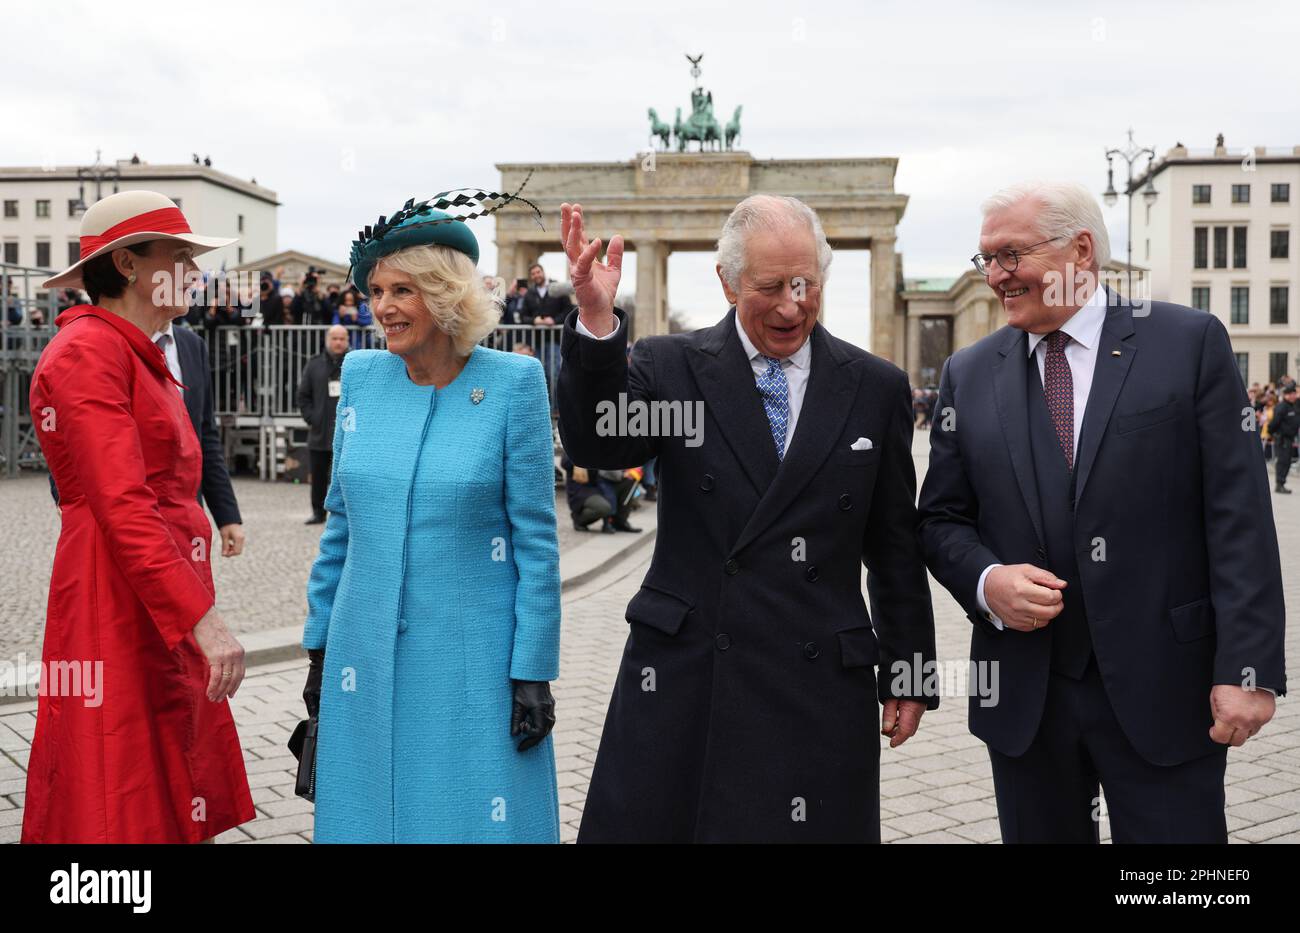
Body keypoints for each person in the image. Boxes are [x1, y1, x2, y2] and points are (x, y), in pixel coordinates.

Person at [557, 196, 938, 843]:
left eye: (805, 285)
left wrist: (912, 671)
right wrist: (596, 321)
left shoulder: (873, 385)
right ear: (728, 281)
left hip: (817, 685)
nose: (791, 306)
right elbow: (598, 444)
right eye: (770, 288)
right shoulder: (671, 366)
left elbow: (895, 540)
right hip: (692, 678)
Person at [918, 181, 1286, 844]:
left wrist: (1247, 667)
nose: (996, 276)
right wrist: (986, 580)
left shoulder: (1186, 342)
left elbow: (1239, 517)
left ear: (1080, 250)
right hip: (1027, 696)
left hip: (1168, 689)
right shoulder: (966, 374)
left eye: (1010, 255)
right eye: (986, 260)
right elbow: (940, 517)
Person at [302, 193, 561, 843]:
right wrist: (317, 647)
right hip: (364, 653)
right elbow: (341, 525)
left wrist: (533, 668)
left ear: (446, 296)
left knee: (466, 813)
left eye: (402, 290)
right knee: (373, 815)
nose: (382, 307)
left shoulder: (512, 386)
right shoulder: (361, 377)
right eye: (376, 290)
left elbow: (536, 541)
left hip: (472, 661)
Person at [24, 190, 253, 843]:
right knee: (116, 780)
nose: (196, 272)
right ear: (127, 264)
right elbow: (121, 502)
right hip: (116, 594)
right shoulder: (87, 352)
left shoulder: (132, 350)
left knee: (157, 769)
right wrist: (201, 619)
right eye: (179, 255)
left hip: (151, 590)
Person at [298, 324, 350, 523]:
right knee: (318, 476)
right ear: (328, 340)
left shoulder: (353, 364)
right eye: (335, 338)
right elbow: (303, 396)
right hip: (319, 432)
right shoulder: (314, 364)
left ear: (347, 340)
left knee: (343, 477)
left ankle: (344, 514)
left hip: (345, 433)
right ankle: (318, 512)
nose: (338, 343)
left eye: (342, 339)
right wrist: (313, 418)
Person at [561, 455, 640, 533]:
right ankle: (578, 519)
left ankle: (620, 522)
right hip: (580, 491)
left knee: (629, 481)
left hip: (599, 486)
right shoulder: (577, 448)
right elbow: (564, 463)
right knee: (603, 507)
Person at [1269, 384, 1299, 492]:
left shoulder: (1293, 406)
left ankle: (1281, 483)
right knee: (1282, 461)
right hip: (1282, 439)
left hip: (1289, 439)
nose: (1293, 396)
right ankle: (1279, 484)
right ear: (1286, 395)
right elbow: (1274, 422)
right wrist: (1272, 433)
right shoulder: (1282, 406)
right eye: (1291, 394)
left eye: (1294, 394)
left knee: (1287, 462)